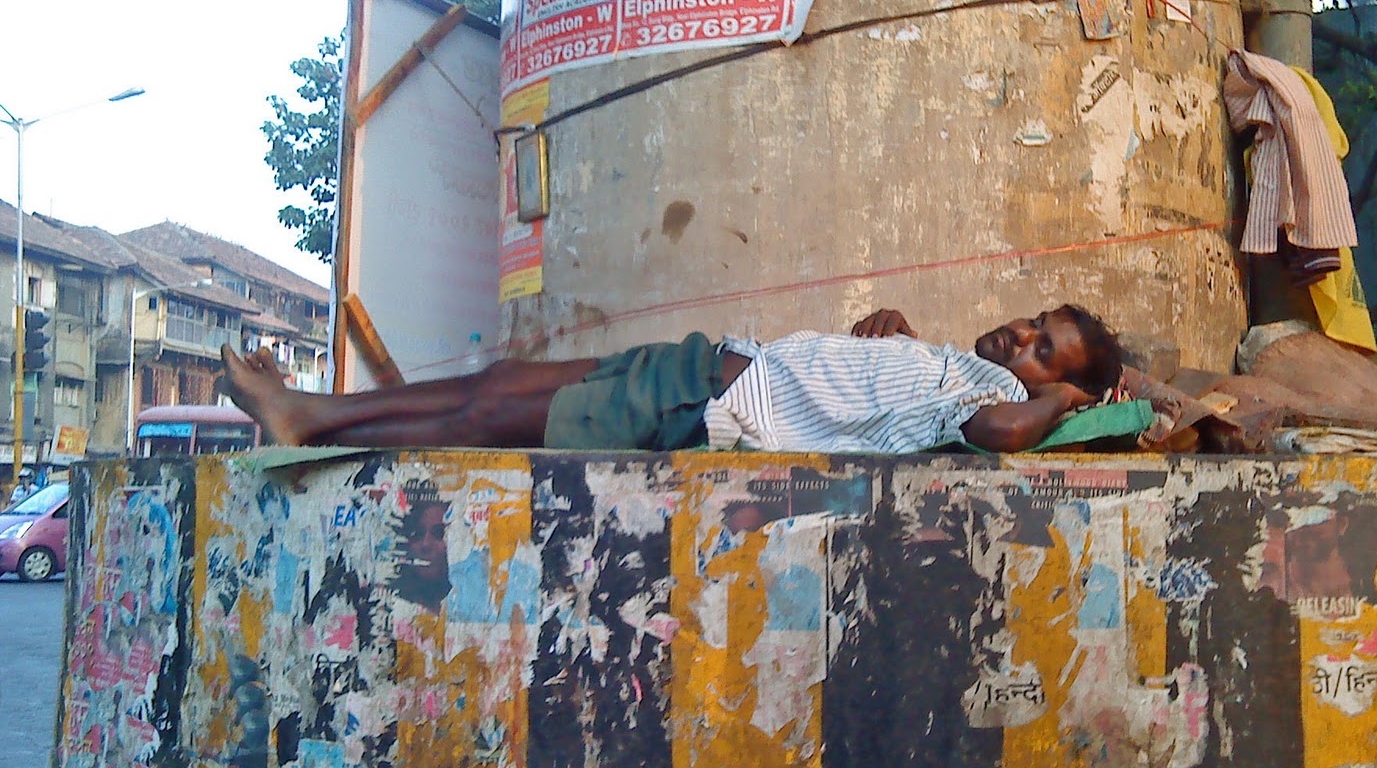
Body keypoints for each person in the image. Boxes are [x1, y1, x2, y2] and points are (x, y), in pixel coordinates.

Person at [221, 305, 1123, 455]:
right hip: (700, 364)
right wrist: (887, 336)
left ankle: (311, 421)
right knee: (496, 382)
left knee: (493, 414)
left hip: (703, 404)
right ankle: (318, 410)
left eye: (1046, 352)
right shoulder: (957, 368)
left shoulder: (1002, 404)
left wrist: (1054, 402)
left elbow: (1000, 434)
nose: (1023, 341)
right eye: (1036, 326)